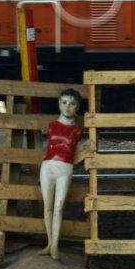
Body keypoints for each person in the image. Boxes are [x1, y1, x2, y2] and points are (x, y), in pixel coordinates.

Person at [38, 87, 85, 260]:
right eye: (64, 102)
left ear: (77, 107)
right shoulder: (52, 126)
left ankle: (55, 245)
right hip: (47, 167)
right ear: (59, 104)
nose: (67, 106)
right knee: (48, 206)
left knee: (58, 207)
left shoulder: (77, 130)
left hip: (65, 169)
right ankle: (49, 243)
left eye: (72, 104)